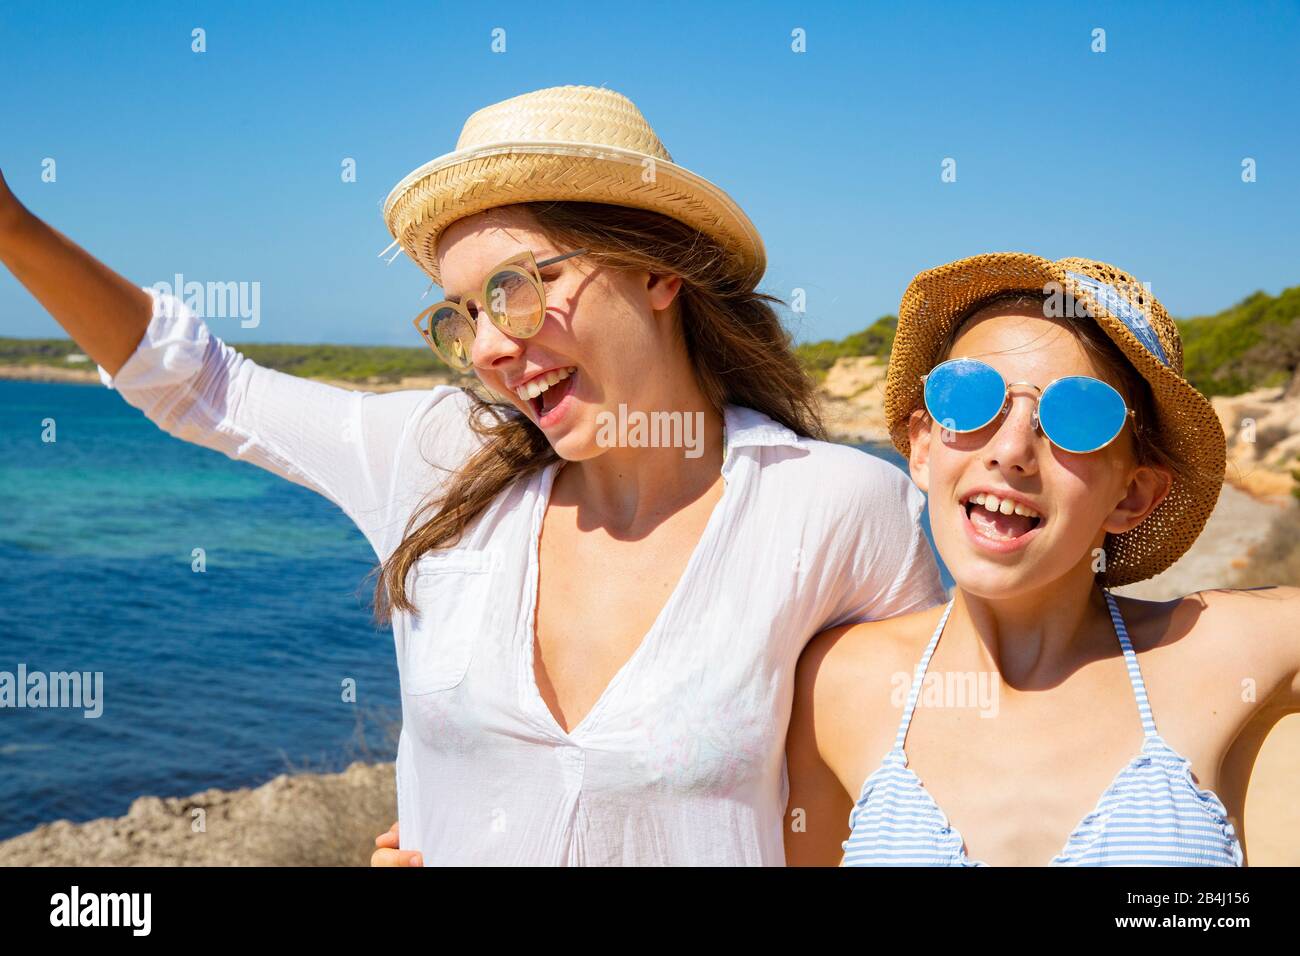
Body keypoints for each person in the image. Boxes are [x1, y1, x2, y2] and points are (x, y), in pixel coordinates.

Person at [0, 84, 945, 866]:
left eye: (520, 288)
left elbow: (892, 811)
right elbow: (198, 384)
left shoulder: (838, 507)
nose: (493, 346)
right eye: (462, 313)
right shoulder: (438, 455)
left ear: (661, 269)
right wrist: (13, 227)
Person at [783, 253, 1300, 866]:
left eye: (1078, 416)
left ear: (1132, 495)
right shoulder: (837, 684)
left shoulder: (1221, 651)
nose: (1011, 450)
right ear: (922, 448)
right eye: (970, 396)